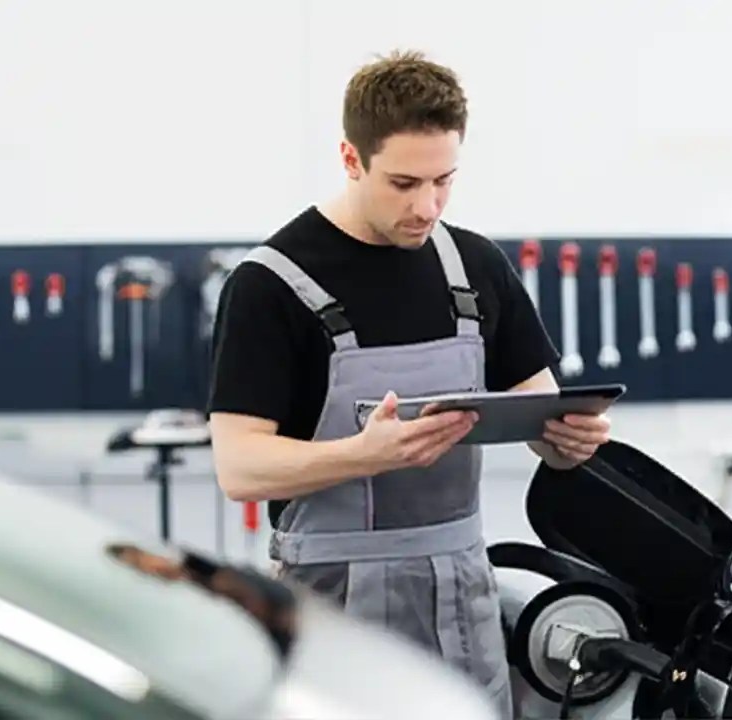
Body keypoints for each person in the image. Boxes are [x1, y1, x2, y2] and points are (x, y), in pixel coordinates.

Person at [206, 49, 612, 718]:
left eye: (443, 181)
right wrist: (362, 455)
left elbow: (537, 406)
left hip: (461, 595)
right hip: (334, 606)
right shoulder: (269, 285)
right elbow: (241, 467)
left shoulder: (475, 265)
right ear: (351, 158)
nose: (427, 206)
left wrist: (567, 441)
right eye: (402, 183)